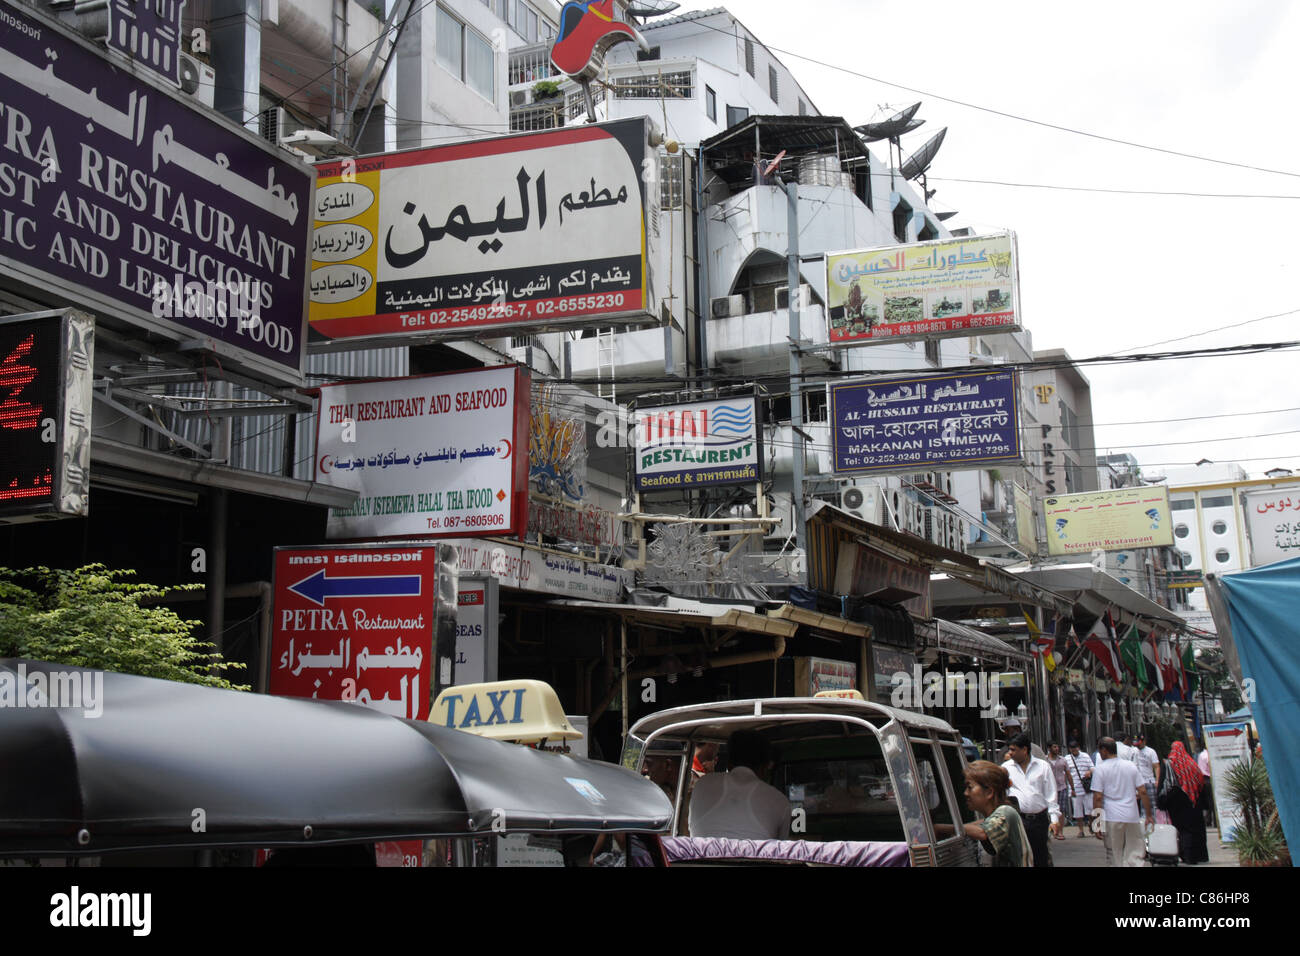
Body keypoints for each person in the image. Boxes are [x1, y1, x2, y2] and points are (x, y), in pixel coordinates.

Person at [688, 730, 791, 840]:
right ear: (765, 767)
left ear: (729, 762)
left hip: (701, 857)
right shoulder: (779, 800)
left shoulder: (702, 784)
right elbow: (779, 849)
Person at [1092, 736, 1154, 867]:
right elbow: (1142, 791)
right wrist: (1148, 815)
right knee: (1135, 852)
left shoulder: (1100, 769)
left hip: (1112, 817)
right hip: (1132, 815)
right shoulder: (1130, 766)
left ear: (1104, 750)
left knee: (1115, 853)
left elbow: (1098, 797)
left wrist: (1097, 823)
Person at [1001, 732, 1061, 866]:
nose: (1010, 753)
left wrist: (1054, 820)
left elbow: (1051, 794)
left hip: (1039, 821)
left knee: (1040, 858)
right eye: (1009, 749)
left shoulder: (1043, 766)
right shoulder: (1006, 768)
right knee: (1019, 858)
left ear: (1024, 749)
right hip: (1017, 821)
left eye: (1013, 749)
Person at [959, 760, 1032, 867]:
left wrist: (944, 829)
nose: (966, 793)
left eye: (970, 787)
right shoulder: (993, 817)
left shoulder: (1006, 811)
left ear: (989, 792)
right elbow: (982, 823)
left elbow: (982, 832)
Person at [1163, 741, 1209, 864]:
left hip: (1177, 802)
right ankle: (1200, 855)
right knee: (1195, 829)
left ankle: (1187, 856)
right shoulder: (1191, 763)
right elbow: (1200, 780)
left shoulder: (1170, 763)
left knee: (1183, 830)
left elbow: (1168, 784)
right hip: (1194, 800)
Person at [1064, 740, 1094, 837]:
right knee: (1077, 811)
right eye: (1072, 749)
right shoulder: (1067, 759)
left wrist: (1089, 772)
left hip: (1086, 787)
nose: (1074, 751)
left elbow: (1093, 767)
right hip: (1075, 788)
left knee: (1090, 809)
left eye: (1075, 749)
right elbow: (1066, 774)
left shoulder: (1085, 756)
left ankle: (1091, 824)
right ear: (1070, 749)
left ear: (1078, 748)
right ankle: (1081, 830)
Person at [1047, 742, 1070, 839]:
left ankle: (1060, 831)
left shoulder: (1063, 760)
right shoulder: (1044, 761)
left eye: (1057, 747)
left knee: (1061, 810)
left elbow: (1068, 774)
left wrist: (1072, 788)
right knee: (1049, 810)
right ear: (1049, 748)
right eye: (1054, 746)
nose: (1056, 748)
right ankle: (1052, 829)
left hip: (1061, 788)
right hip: (1049, 789)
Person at [1134, 733, 1161, 815]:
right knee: (1139, 808)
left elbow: (1156, 766)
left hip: (1148, 782)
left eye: (1139, 743)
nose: (1137, 745)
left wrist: (1157, 780)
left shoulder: (1150, 751)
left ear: (1144, 741)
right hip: (1137, 783)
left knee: (1151, 806)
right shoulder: (1133, 751)